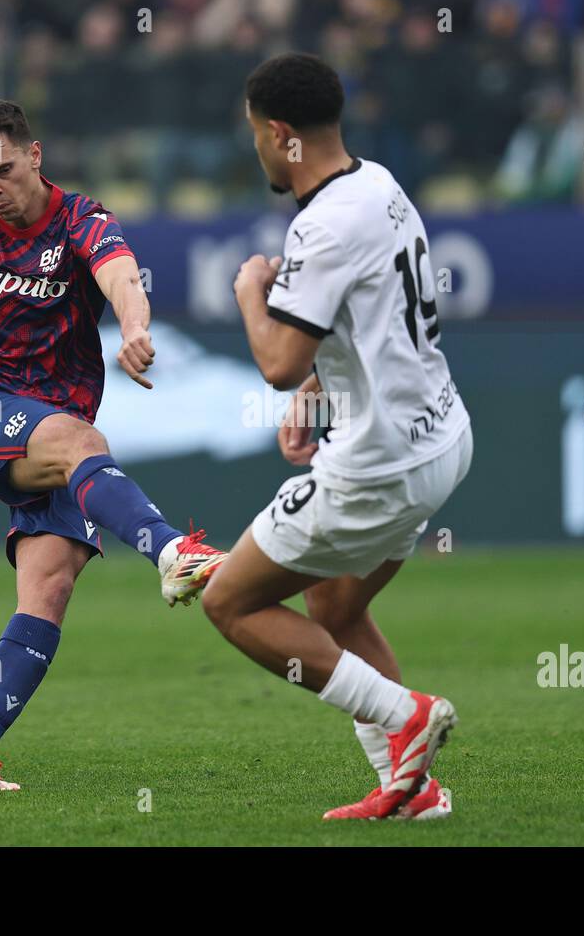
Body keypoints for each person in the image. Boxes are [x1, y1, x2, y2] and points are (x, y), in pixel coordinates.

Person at [0, 99, 227, 792]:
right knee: (82, 441)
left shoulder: (81, 220)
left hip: (48, 423)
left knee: (48, 590)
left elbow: (121, 276)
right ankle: (171, 551)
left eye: (3, 172)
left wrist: (134, 328)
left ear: (34, 155)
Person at [201, 54, 474, 820]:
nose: (254, 146)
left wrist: (249, 292)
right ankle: (413, 791)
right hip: (442, 436)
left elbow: (279, 363)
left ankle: (406, 715)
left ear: (280, 133)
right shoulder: (377, 183)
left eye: (256, 133)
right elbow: (376, 326)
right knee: (337, 607)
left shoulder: (320, 226)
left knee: (231, 602)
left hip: (379, 465)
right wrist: (324, 394)